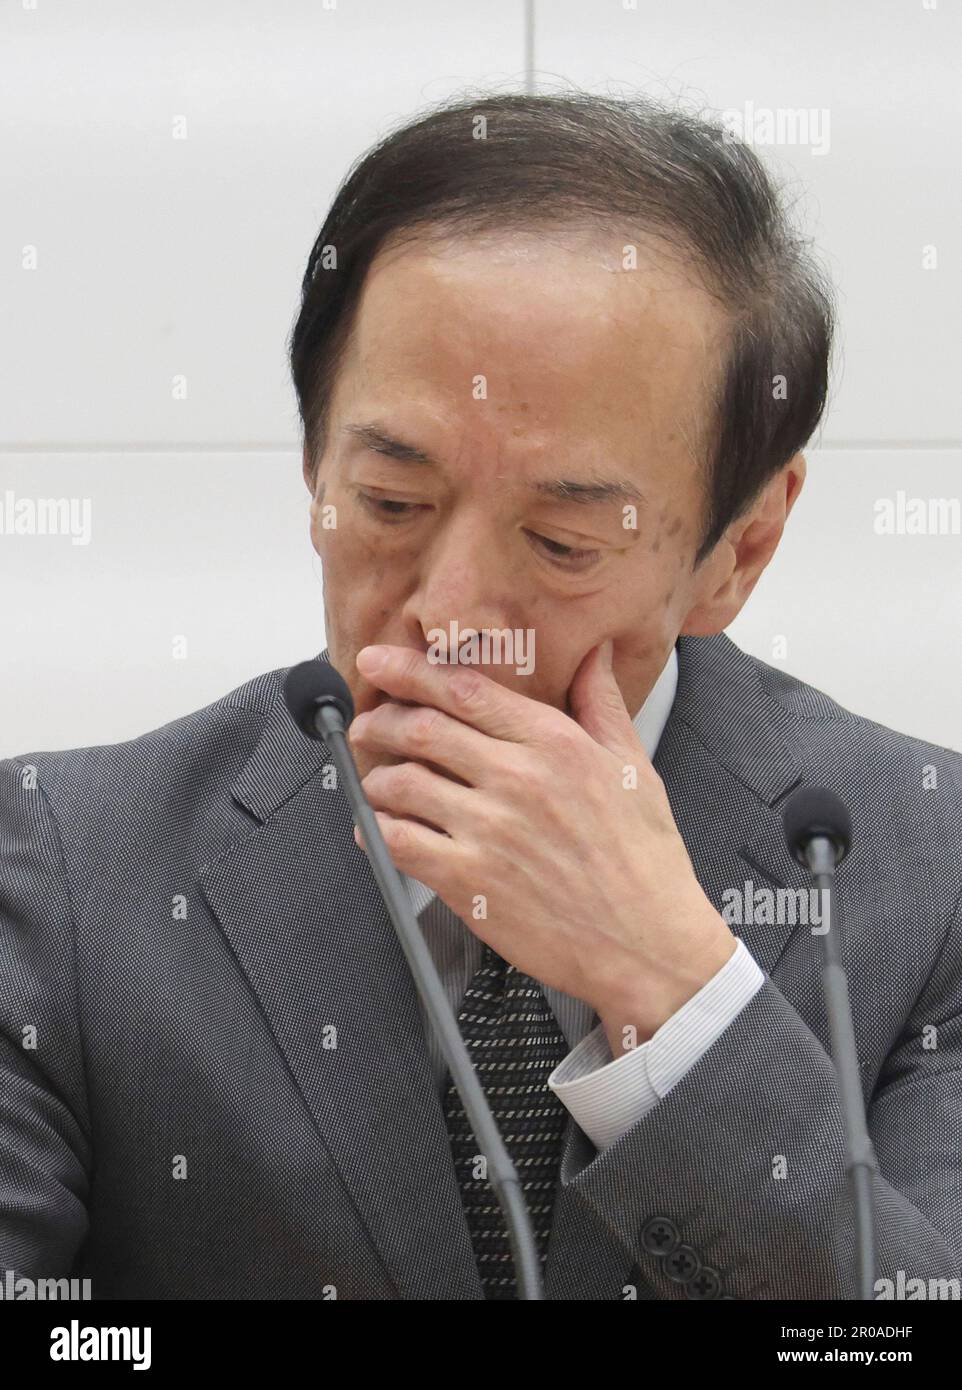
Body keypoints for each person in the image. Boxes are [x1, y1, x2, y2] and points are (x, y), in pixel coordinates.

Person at [2, 92, 960, 1301]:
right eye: (391, 505)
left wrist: (673, 992)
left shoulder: (928, 872)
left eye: (560, 542)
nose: (446, 612)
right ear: (313, 466)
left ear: (739, 548)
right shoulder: (64, 873)